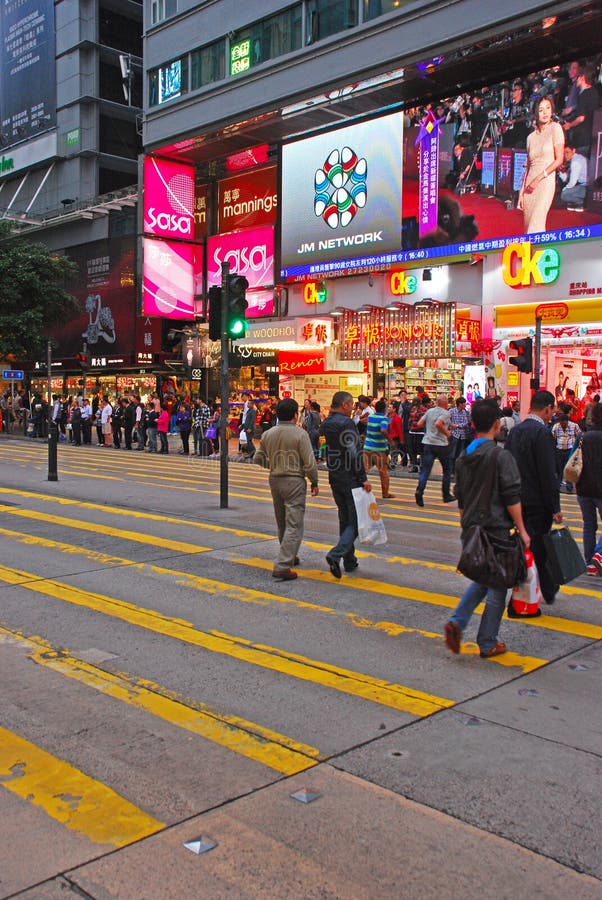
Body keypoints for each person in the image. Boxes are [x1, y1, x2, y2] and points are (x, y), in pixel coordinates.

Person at [444, 399, 530, 659]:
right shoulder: (500, 455)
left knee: (484, 578)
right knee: (499, 583)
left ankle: (458, 622)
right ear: (496, 424)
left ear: (472, 425)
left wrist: (465, 525)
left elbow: (460, 495)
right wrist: (523, 530)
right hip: (496, 528)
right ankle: (487, 641)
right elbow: (512, 496)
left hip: (472, 527)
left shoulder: (464, 456)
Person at [505, 390, 563, 606]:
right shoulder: (542, 433)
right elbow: (548, 474)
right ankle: (537, 589)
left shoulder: (516, 431)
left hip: (517, 501)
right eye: (552, 410)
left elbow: (507, 465)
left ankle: (545, 588)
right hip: (538, 503)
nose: (553, 414)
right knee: (537, 545)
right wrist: (555, 506)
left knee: (530, 545)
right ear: (547, 408)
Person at [254, 398, 319, 581]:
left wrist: (273, 465)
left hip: (275, 480)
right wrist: (314, 481)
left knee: (282, 521)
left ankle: (289, 554)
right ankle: (283, 565)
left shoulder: (268, 434)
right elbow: (309, 463)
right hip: (294, 481)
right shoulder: (300, 434)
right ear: (295, 415)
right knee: (294, 523)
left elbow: (257, 459)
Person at [321, 391, 372, 579]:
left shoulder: (327, 423)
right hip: (350, 477)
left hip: (335, 476)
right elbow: (354, 452)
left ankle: (349, 561)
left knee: (345, 518)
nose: (353, 409)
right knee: (356, 521)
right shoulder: (346, 423)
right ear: (344, 405)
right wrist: (363, 478)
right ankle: (335, 554)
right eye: (352, 405)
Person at [519, 96, 564, 234]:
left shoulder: (556, 128)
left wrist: (538, 178)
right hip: (529, 186)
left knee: (535, 226)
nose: (545, 112)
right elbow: (528, 166)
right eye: (541, 109)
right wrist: (521, 191)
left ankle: (537, 255)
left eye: (548, 108)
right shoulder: (530, 138)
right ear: (535, 114)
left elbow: (559, 159)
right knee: (528, 227)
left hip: (545, 182)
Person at [575, 402, 602, 574]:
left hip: (583, 488)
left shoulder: (583, 437)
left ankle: (589, 561)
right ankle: (598, 556)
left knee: (589, 525)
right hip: (601, 489)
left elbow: (572, 461)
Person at [415, 394, 455, 507]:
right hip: (441, 444)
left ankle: (419, 491)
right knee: (447, 470)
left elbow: (419, 424)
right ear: (445, 403)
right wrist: (446, 432)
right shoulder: (446, 413)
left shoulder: (430, 411)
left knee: (425, 470)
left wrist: (430, 430)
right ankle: (446, 494)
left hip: (428, 442)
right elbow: (438, 424)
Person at [562, 63, 599, 156]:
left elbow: (581, 118)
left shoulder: (583, 95)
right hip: (591, 137)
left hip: (582, 138)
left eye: (578, 77)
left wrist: (569, 125)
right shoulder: (594, 92)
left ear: (582, 77)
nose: (576, 80)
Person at [362, 398, 395, 499]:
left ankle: (359, 491)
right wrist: (391, 441)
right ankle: (385, 493)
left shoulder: (371, 417)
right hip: (379, 450)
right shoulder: (383, 419)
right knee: (383, 472)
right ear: (384, 409)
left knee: (363, 471)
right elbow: (383, 430)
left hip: (367, 448)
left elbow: (363, 421)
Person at [551, 412, 581, 493]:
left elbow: (579, 437)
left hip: (570, 450)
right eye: (561, 423)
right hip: (559, 450)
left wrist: (578, 449)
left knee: (568, 469)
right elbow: (553, 439)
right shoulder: (556, 427)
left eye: (564, 423)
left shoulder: (574, 426)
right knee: (559, 470)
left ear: (567, 422)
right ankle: (558, 487)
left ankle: (569, 487)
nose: (562, 425)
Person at [557, 144, 588, 211]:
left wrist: (564, 189)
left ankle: (582, 203)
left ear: (573, 151)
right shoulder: (574, 160)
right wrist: (560, 172)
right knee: (566, 192)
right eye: (564, 153)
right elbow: (566, 179)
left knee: (564, 194)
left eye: (567, 152)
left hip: (587, 187)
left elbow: (572, 182)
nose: (565, 155)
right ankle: (577, 202)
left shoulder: (576, 161)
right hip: (582, 186)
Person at [448, 396, 471, 473]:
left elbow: (466, 423)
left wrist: (457, 425)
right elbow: (447, 420)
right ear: (460, 404)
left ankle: (457, 471)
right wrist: (452, 425)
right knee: (452, 453)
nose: (465, 405)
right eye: (464, 403)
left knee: (460, 454)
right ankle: (451, 471)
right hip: (454, 434)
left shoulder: (465, 412)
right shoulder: (451, 411)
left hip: (463, 435)